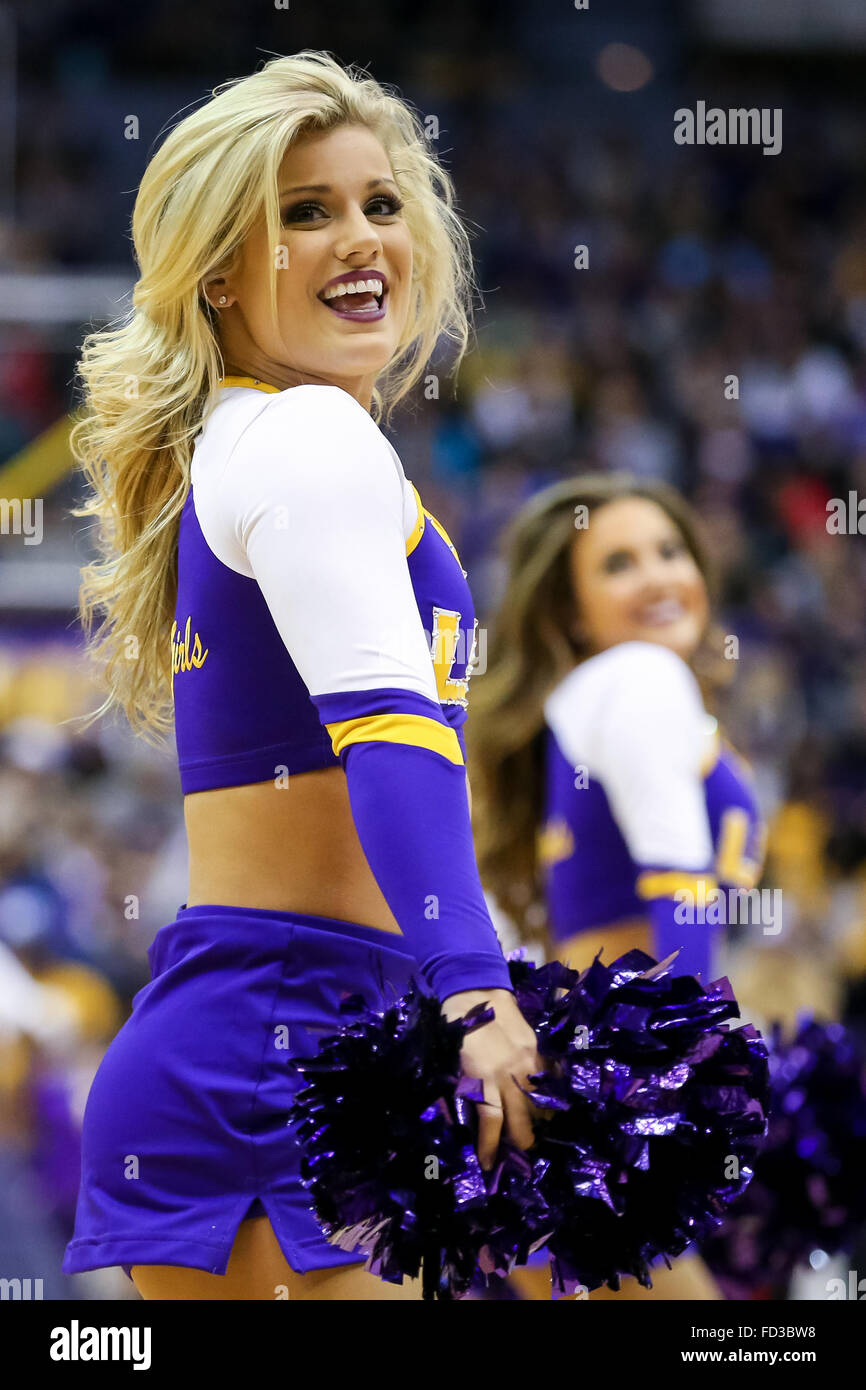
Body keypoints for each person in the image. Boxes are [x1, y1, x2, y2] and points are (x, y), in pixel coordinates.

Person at [60, 51, 542, 1302]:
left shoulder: (260, 440)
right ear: (218, 268)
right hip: (288, 1039)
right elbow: (386, 732)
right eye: (304, 211)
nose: (359, 236)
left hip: (294, 1028)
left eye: (380, 203)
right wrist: (473, 984)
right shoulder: (303, 434)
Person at [470, 474, 766, 1299]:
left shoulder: (589, 696)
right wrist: (689, 1061)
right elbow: (680, 880)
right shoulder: (638, 676)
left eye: (671, 551)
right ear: (567, 611)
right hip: (619, 1082)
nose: (660, 577)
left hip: (576, 1074)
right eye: (620, 564)